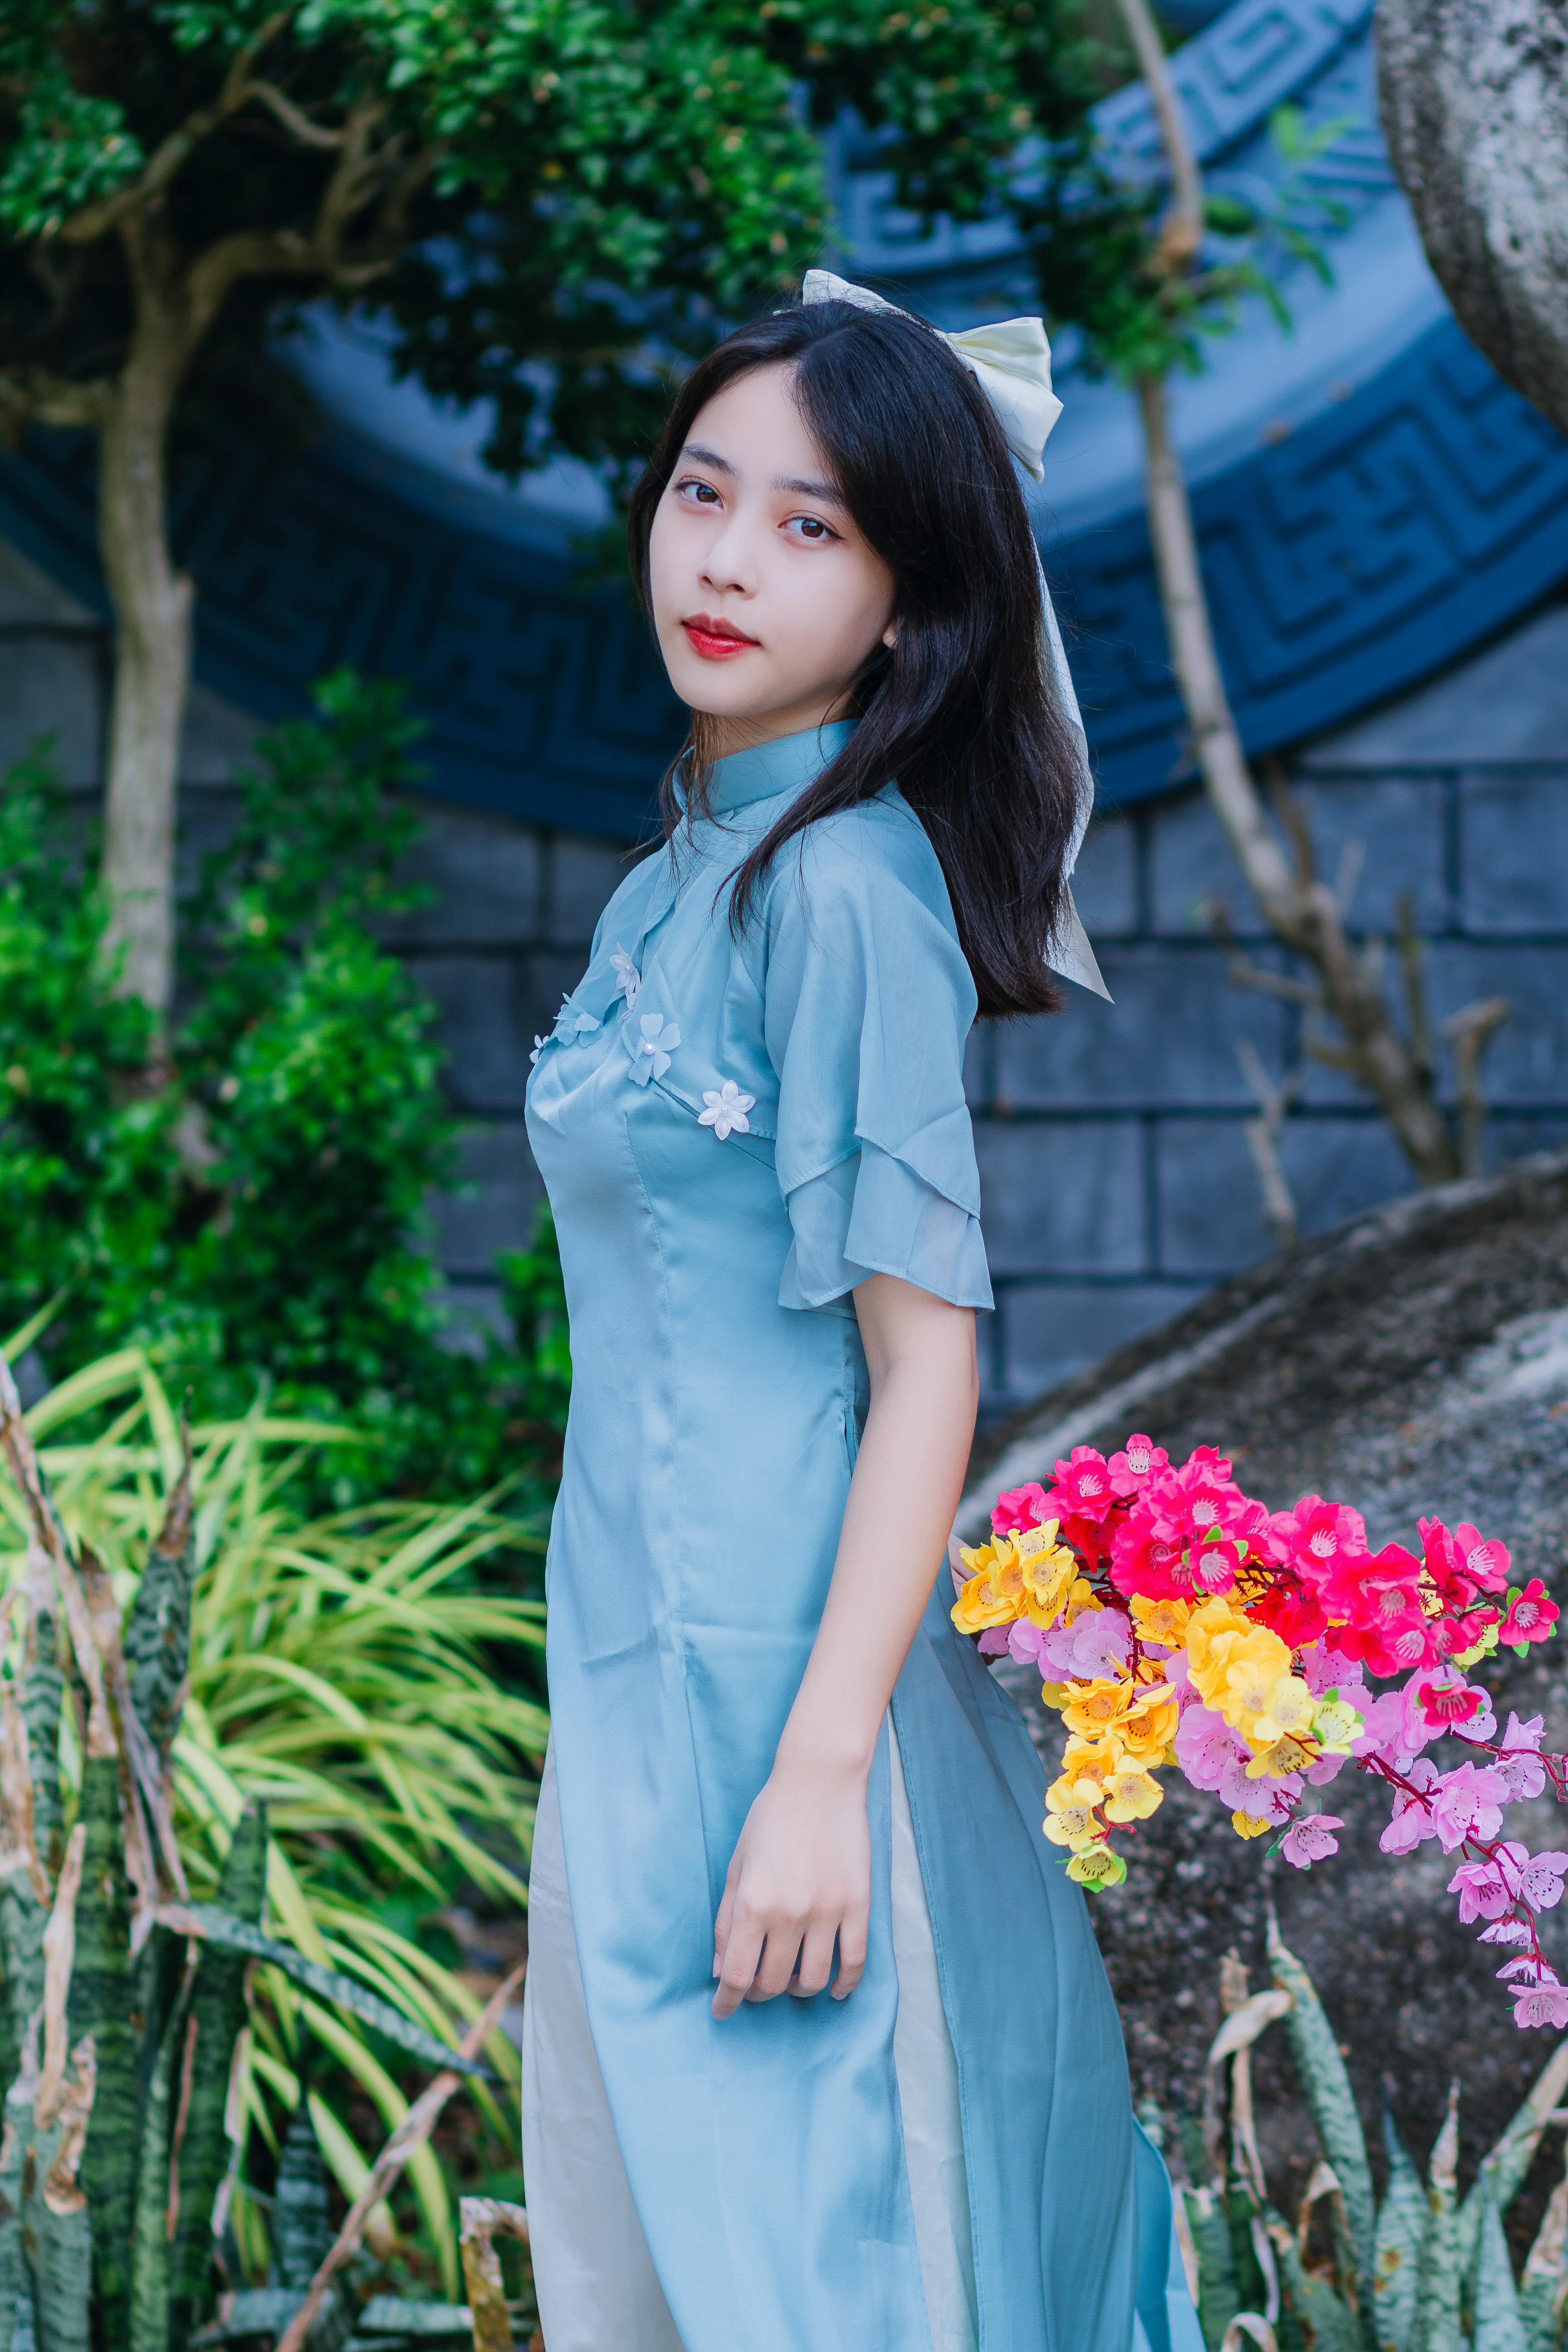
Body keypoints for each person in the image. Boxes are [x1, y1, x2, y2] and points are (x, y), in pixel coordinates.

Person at [521, 272, 1201, 2352]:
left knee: (819, 2277)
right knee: (653, 2273)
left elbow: (927, 1368)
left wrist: (817, 1783)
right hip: (637, 1684)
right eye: (704, 494)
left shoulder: (844, 889)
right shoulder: (678, 876)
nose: (728, 560)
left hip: (786, 1713)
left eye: (812, 525)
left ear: (910, 597)